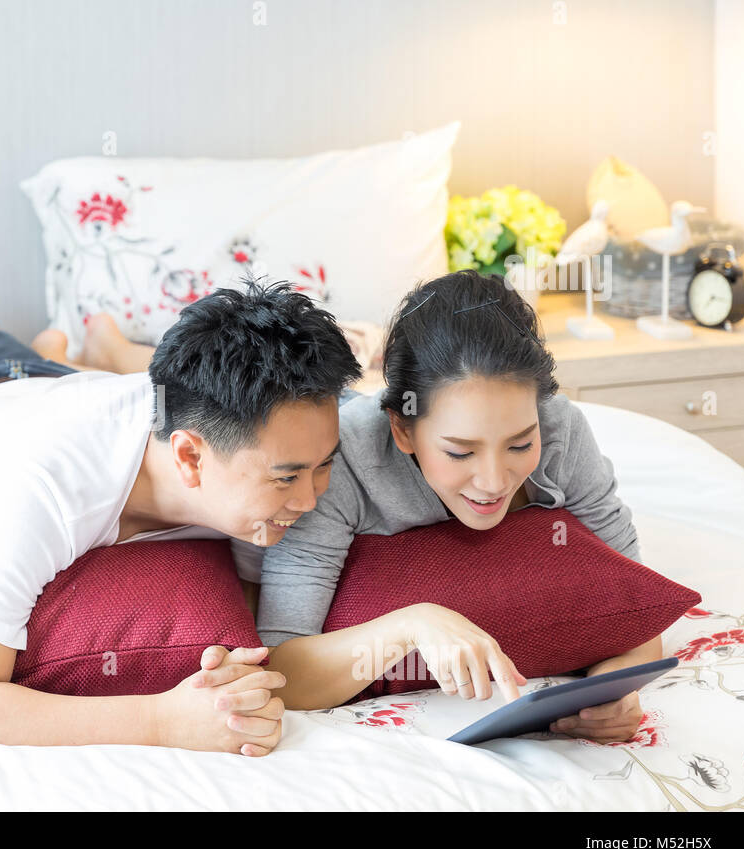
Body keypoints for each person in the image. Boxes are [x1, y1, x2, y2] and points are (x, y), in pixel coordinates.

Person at [42, 271, 657, 744]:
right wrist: (410, 623)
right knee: (70, 379)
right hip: (66, 407)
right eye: (460, 450)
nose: (494, 479)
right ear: (403, 429)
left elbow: (636, 593)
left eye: (518, 443)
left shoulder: (560, 429)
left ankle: (110, 348)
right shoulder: (333, 467)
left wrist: (616, 688)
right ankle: (90, 348)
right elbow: (285, 660)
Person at [0, 279, 362, 755]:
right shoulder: (32, 491)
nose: (312, 499)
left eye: (325, 466)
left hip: (58, 384)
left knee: (10, 355)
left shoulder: (244, 428)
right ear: (189, 458)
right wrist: (163, 721)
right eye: (287, 478)